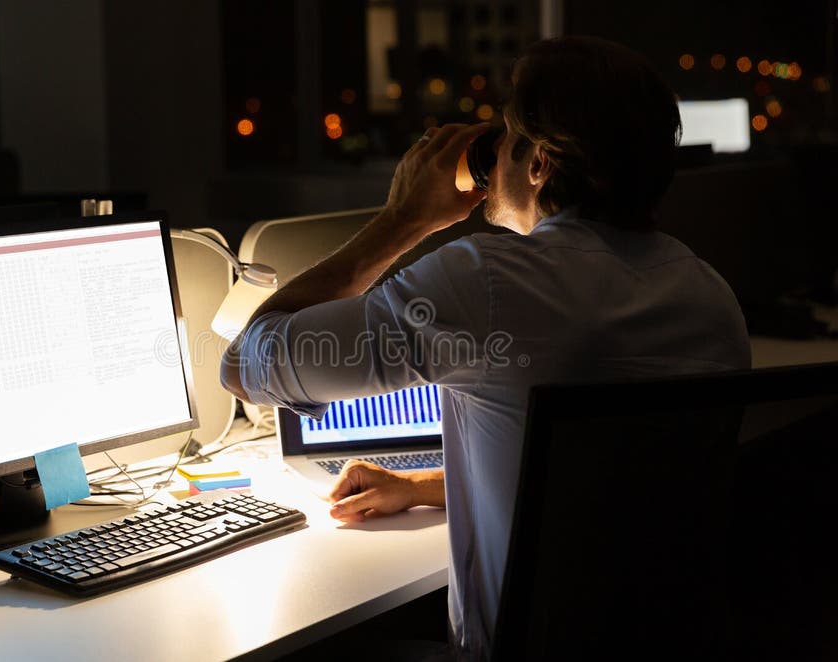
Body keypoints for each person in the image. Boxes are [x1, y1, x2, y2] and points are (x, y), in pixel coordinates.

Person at [220, 35, 751, 660]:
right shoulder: (711, 297)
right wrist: (425, 486)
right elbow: (608, 483)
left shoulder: (487, 281)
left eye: (504, 136)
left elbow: (247, 365)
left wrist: (405, 218)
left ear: (540, 162)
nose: (491, 156)